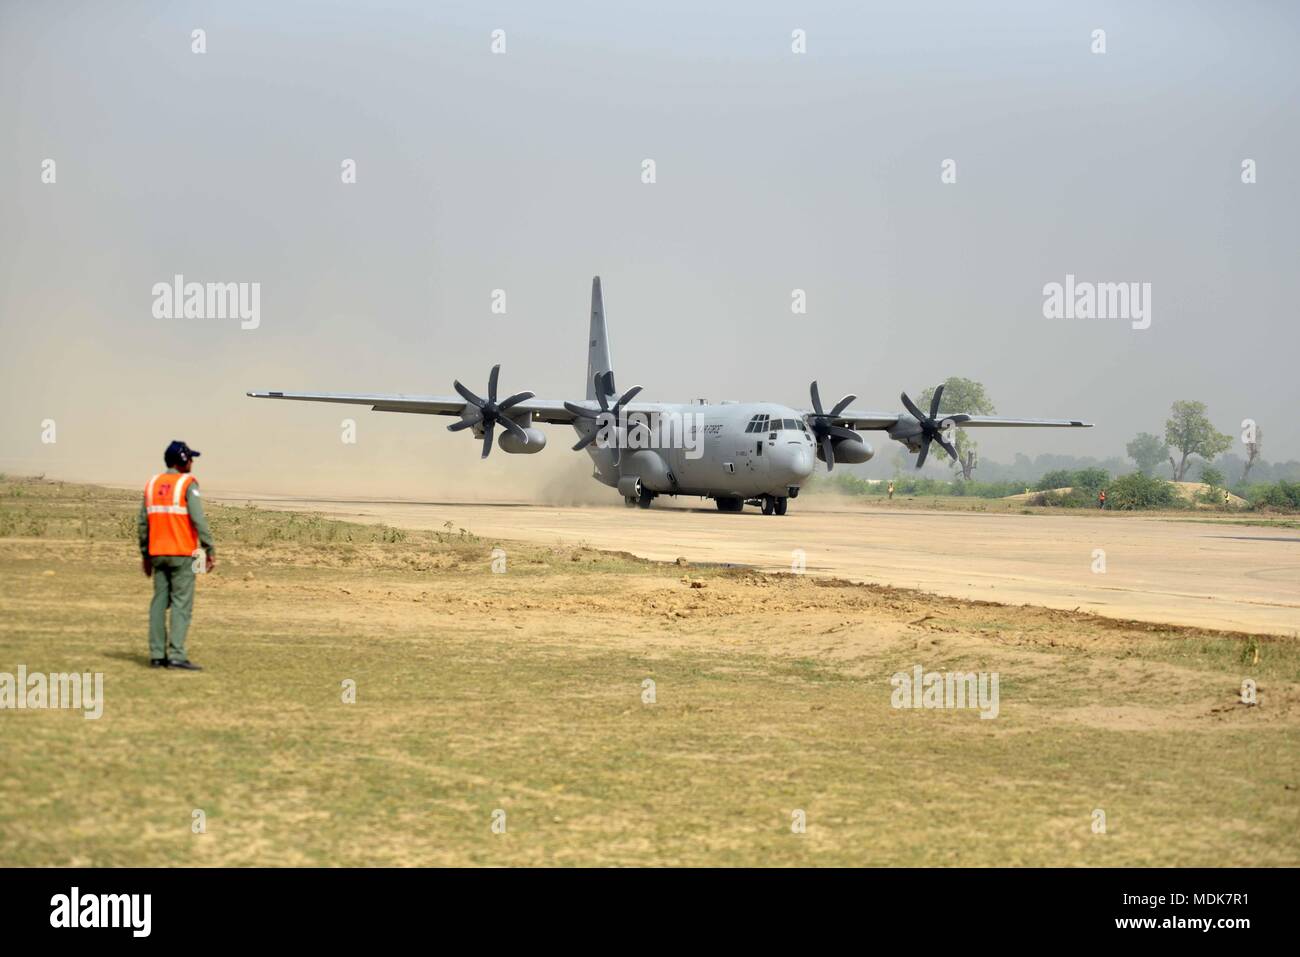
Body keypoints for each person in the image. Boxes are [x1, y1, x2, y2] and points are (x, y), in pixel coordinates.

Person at [137, 441, 215, 670]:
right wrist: (209, 548)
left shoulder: (152, 484)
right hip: (182, 554)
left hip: (157, 553)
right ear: (182, 461)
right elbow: (198, 519)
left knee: (159, 603)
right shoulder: (187, 484)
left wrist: (145, 555)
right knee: (182, 604)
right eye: (190, 458)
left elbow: (143, 523)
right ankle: (177, 655)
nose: (192, 462)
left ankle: (156, 655)